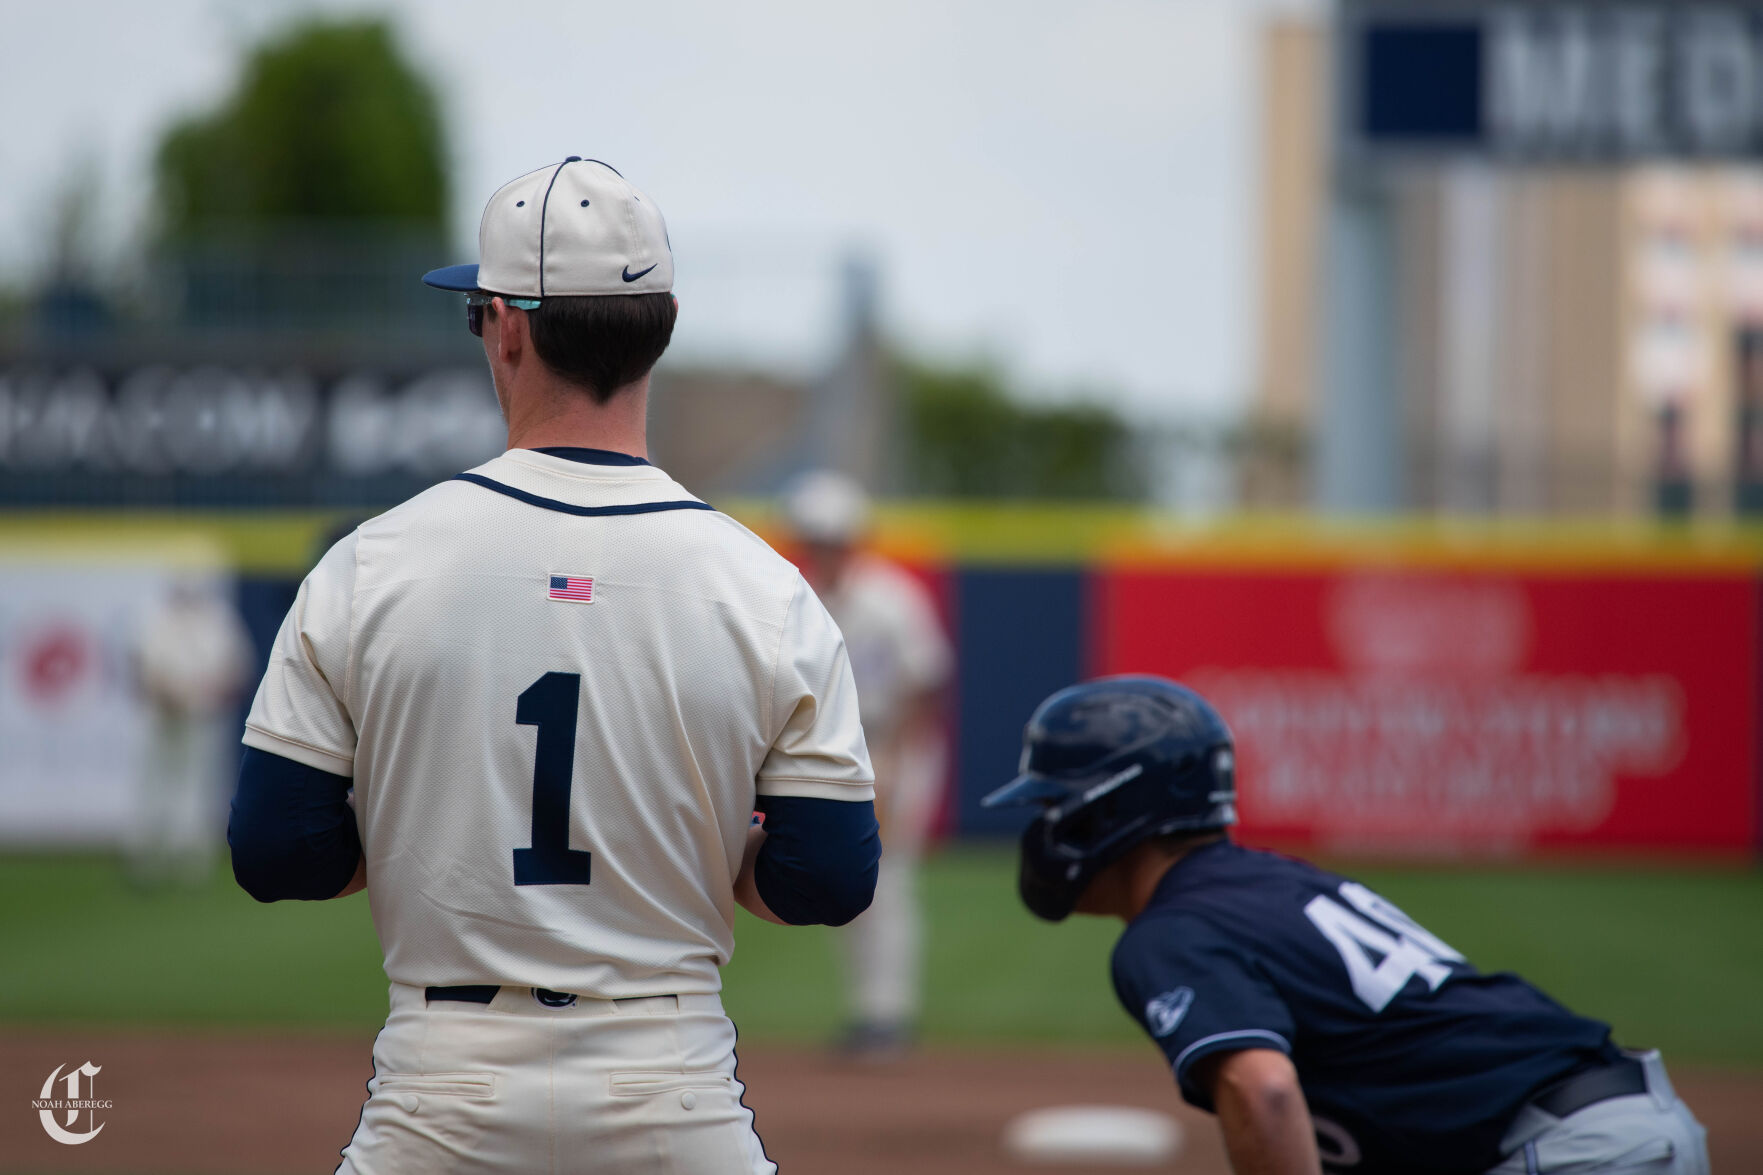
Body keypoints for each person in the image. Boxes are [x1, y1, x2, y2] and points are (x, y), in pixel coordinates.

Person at [228, 157, 880, 1174]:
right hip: (669, 1085)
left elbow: (276, 852)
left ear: (509, 327)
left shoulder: (370, 564)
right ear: (658, 326)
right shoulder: (770, 589)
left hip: (441, 1088)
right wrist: (696, 850)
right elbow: (829, 878)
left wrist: (422, 832)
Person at [982, 675, 1709, 1175]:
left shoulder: (1168, 930)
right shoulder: (1271, 881)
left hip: (1572, 1152)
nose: (1046, 829)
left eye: (1058, 805)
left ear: (1113, 810)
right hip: (1606, 1128)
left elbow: (1263, 1090)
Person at [780, 471, 952, 1058]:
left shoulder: (892, 598)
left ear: (855, 538)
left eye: (833, 536)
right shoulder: (795, 594)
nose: (824, 546)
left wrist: (897, 767)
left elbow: (924, 687)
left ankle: (887, 1016)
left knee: (889, 877)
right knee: (843, 877)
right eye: (815, 535)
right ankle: (869, 1013)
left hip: (893, 744)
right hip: (832, 748)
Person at [132, 575, 253, 885]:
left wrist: (210, 693)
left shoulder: (218, 619)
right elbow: (141, 665)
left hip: (205, 717)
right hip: (161, 717)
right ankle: (149, 855)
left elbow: (237, 668)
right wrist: (165, 694)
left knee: (198, 785)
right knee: (156, 783)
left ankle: (191, 858)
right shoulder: (156, 616)